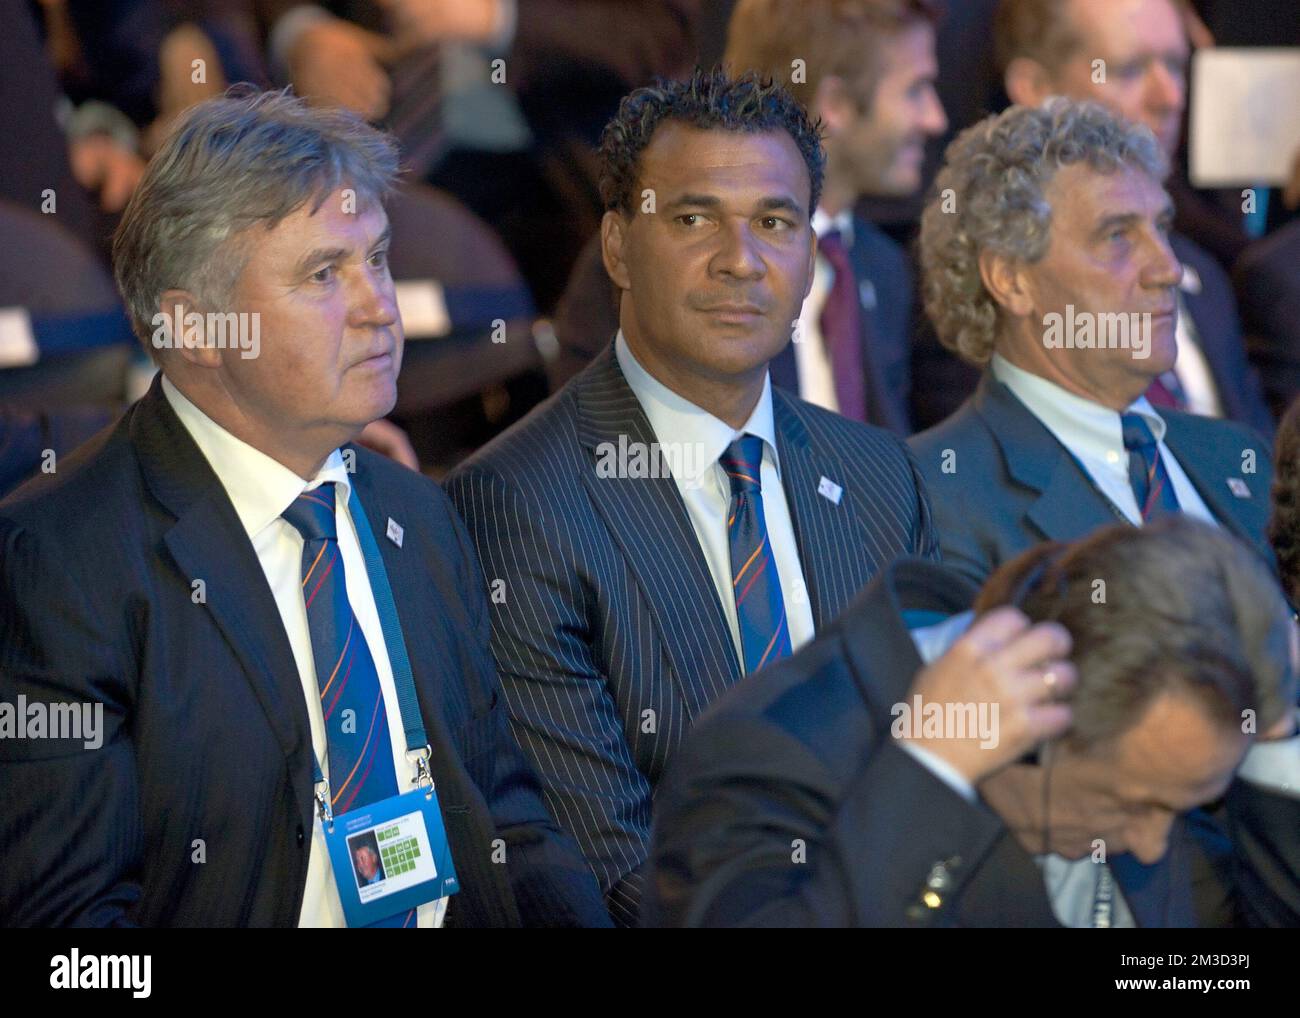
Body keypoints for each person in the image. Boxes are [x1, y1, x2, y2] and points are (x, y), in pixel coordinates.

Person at [0, 88, 610, 928]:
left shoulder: (420, 519)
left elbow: (511, 829)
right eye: (325, 273)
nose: (378, 307)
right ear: (196, 330)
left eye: (379, 259)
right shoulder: (62, 559)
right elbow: (72, 936)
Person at [445, 68, 938, 925]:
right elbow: (609, 866)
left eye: (776, 223)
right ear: (615, 247)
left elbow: (937, 769)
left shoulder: (881, 477)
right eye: (692, 218)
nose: (740, 261)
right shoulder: (514, 505)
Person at [645, 516, 1300, 926]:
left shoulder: (1161, 747)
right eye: (1130, 804)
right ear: (1033, 728)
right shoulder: (769, 749)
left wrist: (1274, 745)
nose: (1158, 845)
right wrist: (929, 774)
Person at [908, 100, 1272, 587]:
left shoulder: (1236, 456)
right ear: (1011, 280)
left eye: (1162, 228)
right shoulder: (931, 495)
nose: (1168, 269)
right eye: (1117, 235)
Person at [990, 0, 1274, 438]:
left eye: (1176, 65)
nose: (1171, 97)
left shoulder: (1206, 279)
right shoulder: (994, 291)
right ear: (1035, 87)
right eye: (1129, 70)